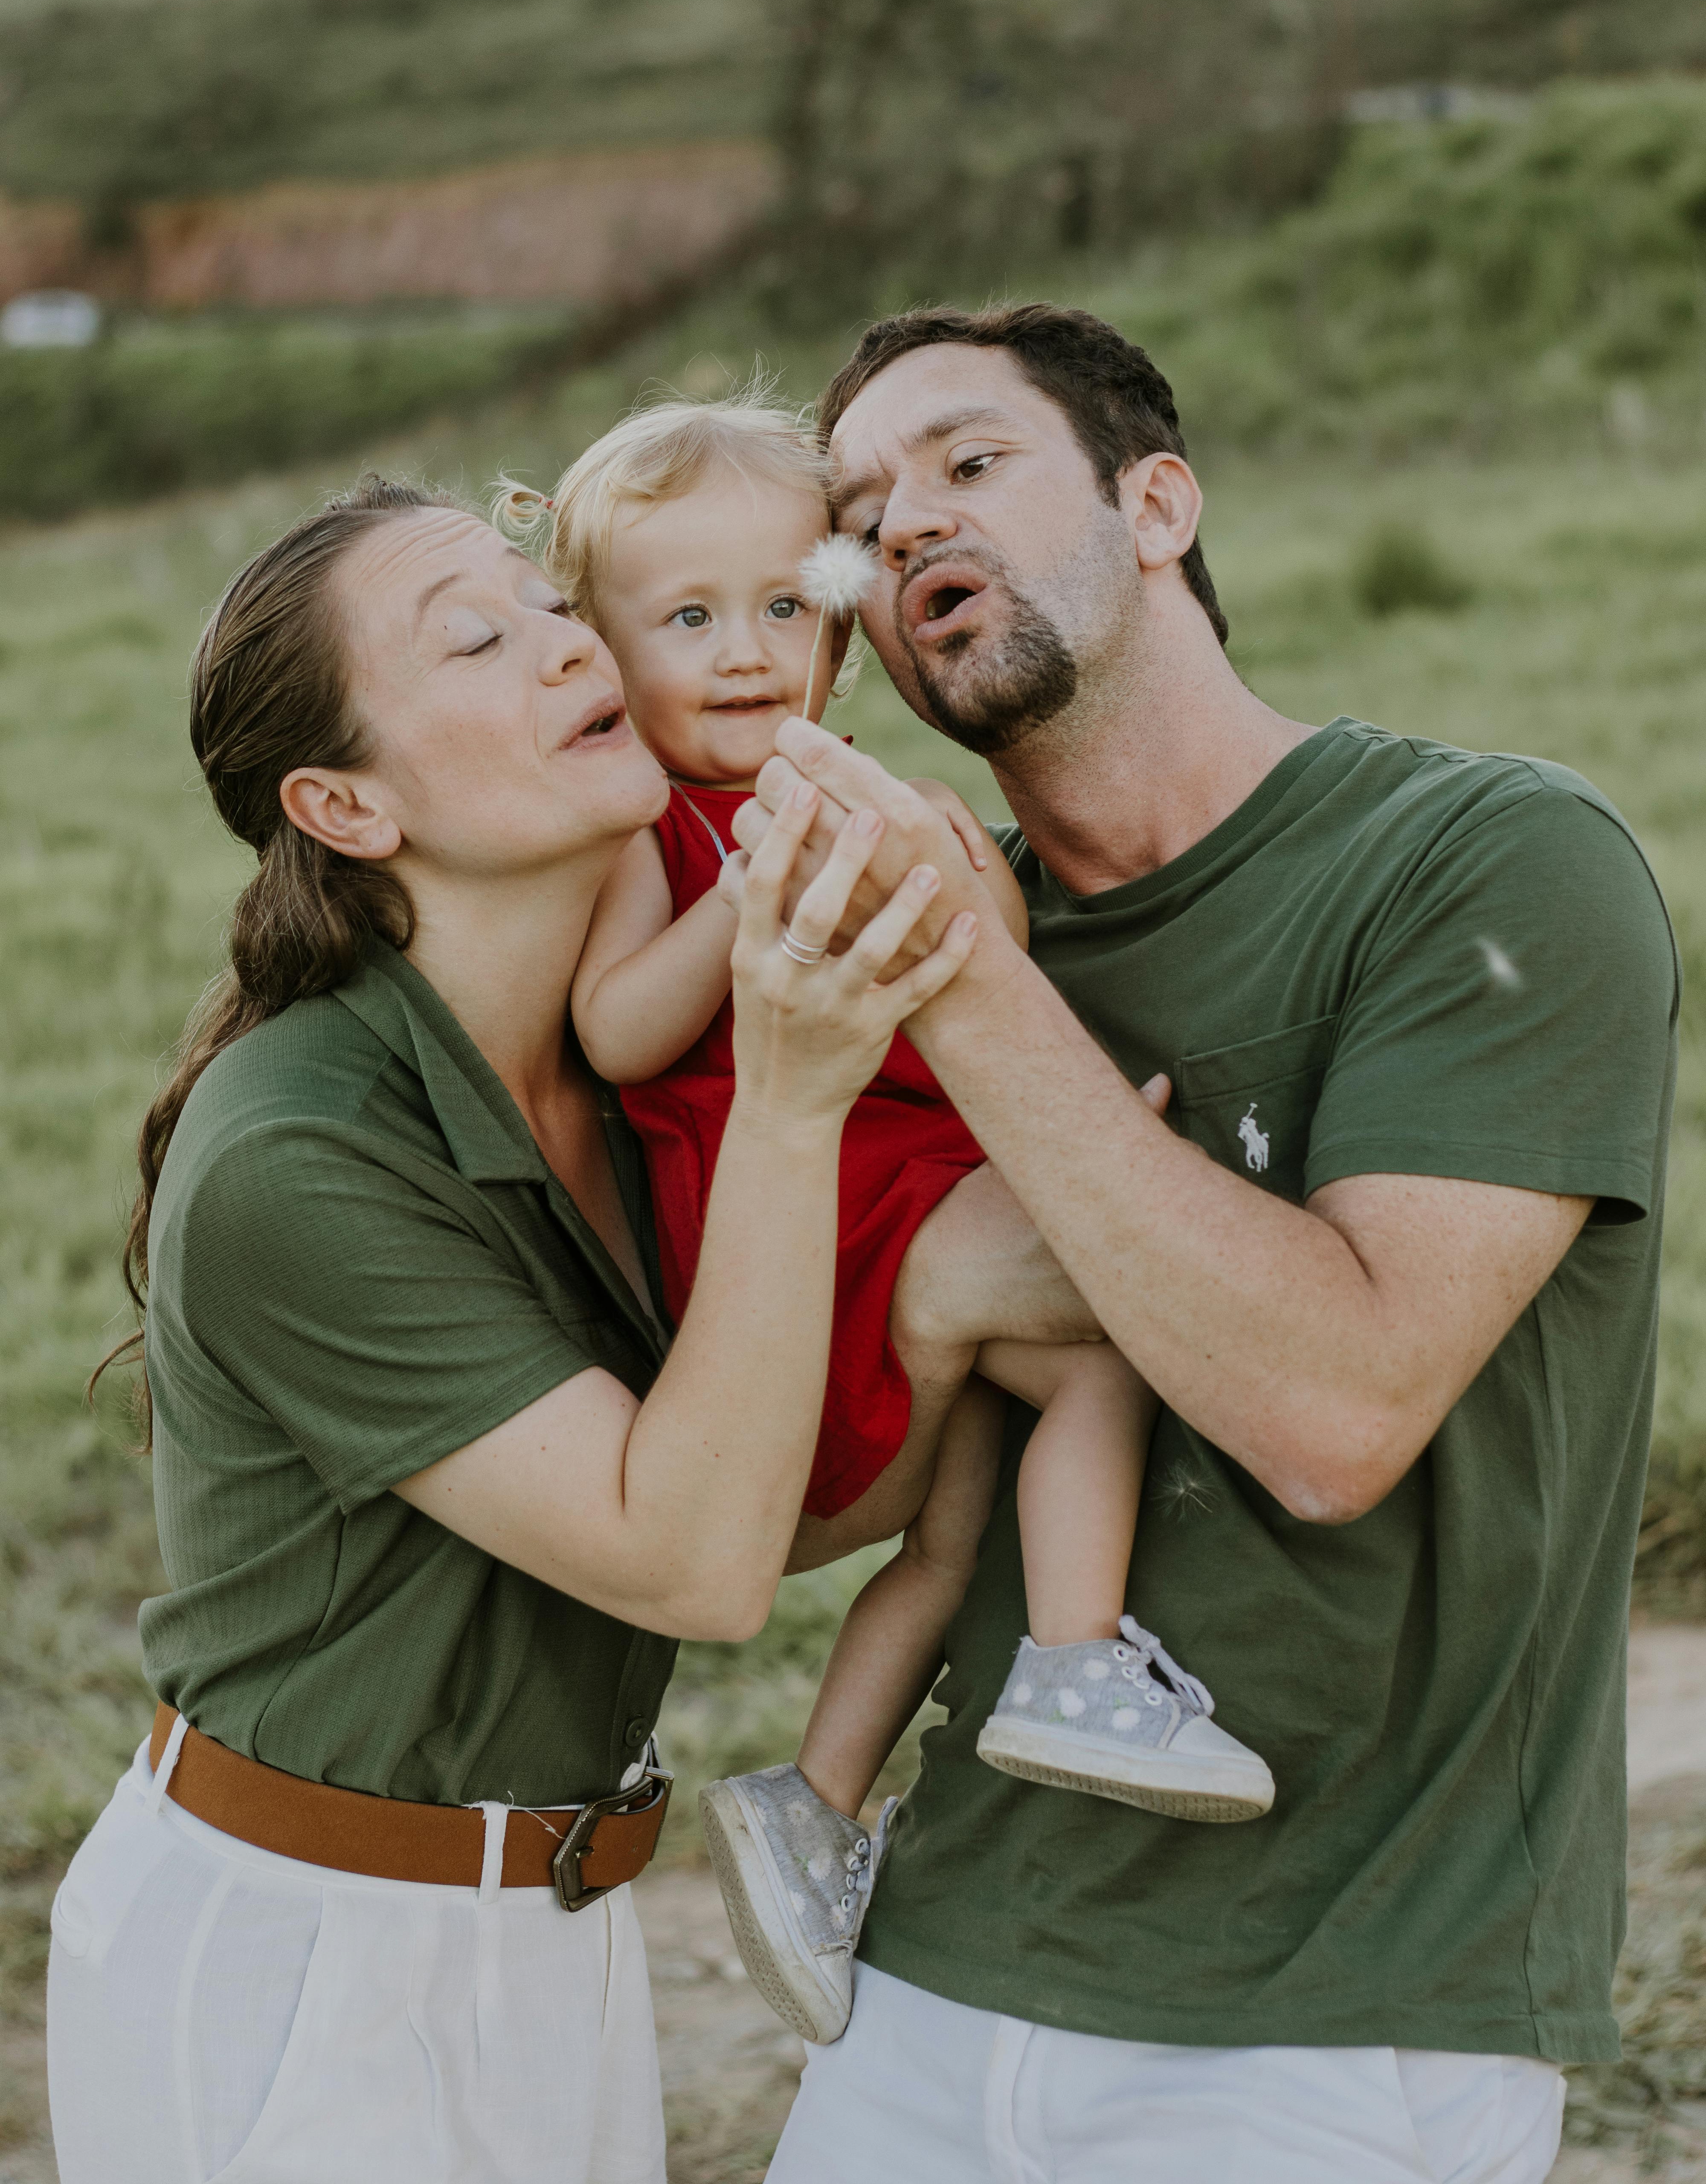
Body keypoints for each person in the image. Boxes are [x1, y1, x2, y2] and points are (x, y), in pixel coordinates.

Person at [731, 303, 1679, 2184]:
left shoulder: (1483, 863)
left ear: (1157, 504)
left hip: (1334, 2018)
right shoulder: (867, 954)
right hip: (929, 1974)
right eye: (861, 509)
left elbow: (1334, 1416)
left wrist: (968, 989)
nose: (908, 520)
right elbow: (789, 1519)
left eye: (969, 465)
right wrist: (918, 1294)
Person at [45, 475, 978, 2184]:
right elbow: (696, 1563)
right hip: (307, 1963)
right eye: (476, 639)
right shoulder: (296, 1157)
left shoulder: (631, 1068)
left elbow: (760, 1489)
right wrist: (794, 1098)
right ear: (343, 803)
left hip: (556, 1931)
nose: (563, 647)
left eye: (548, 607)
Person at [507, 400, 1271, 2038]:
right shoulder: (654, 832)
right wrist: (743, 893)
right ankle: (1075, 1661)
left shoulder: (858, 785)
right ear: (599, 650)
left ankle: (816, 1800)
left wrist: (956, 881)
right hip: (821, 1228)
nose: (745, 653)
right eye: (689, 618)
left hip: (911, 1179)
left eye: (787, 608)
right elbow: (621, 1032)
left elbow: (985, 948)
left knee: (959, 1530)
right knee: (1103, 1345)